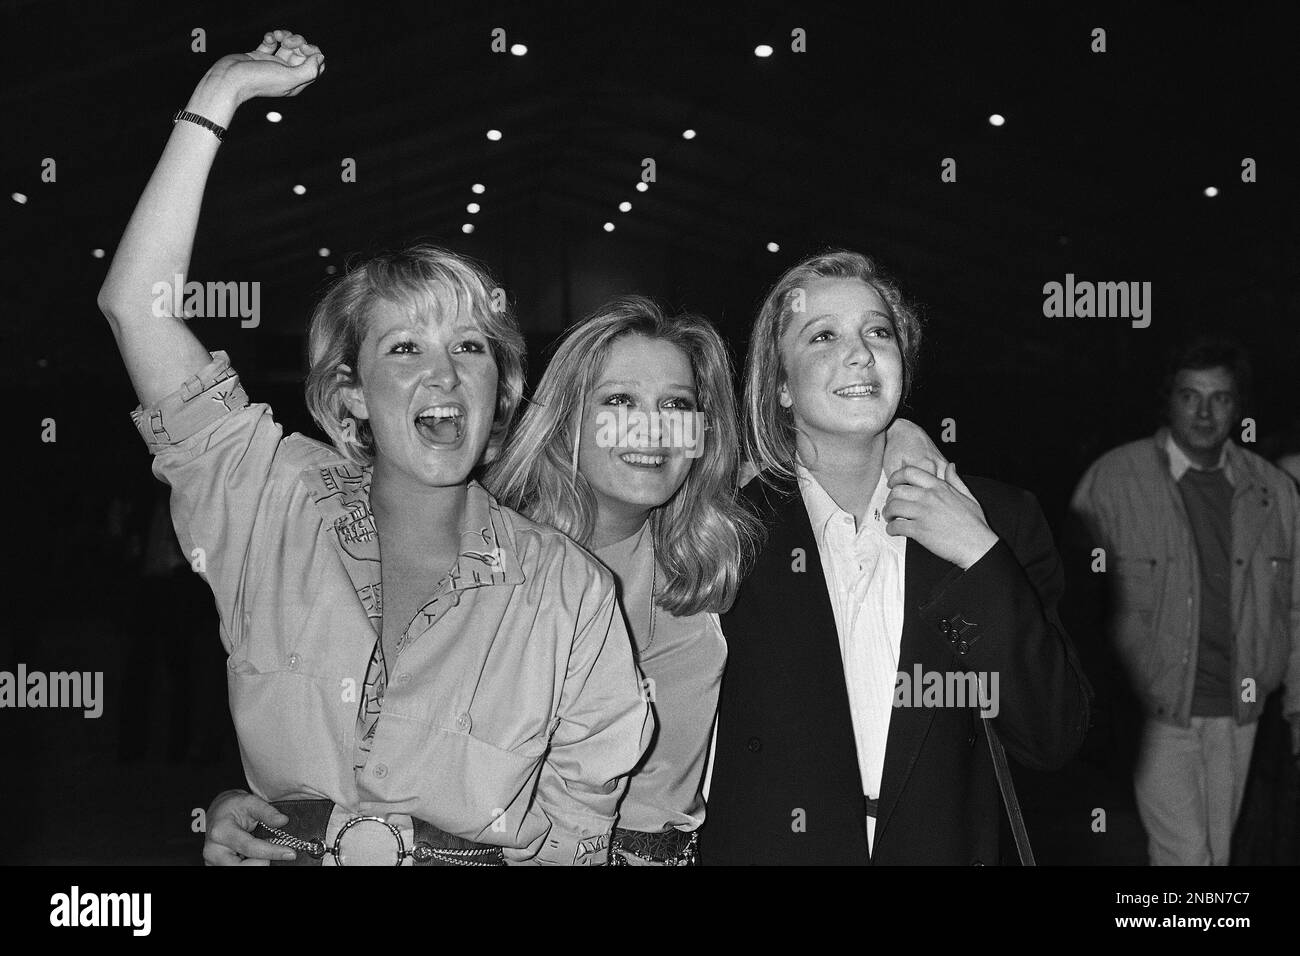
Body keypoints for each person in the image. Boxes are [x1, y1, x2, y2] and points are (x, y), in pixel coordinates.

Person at [100, 29, 648, 867]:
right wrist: (218, 96)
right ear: (350, 392)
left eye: (469, 348)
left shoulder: (571, 597)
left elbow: (576, 847)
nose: (443, 376)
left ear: (500, 388)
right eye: (405, 349)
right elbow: (138, 307)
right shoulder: (270, 502)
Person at [703, 249, 1092, 865]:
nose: (858, 353)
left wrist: (979, 555)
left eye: (877, 332)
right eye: (823, 336)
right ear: (779, 384)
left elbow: (1052, 734)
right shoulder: (724, 527)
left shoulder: (998, 519)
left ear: (901, 365)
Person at [1070, 338, 1300, 866]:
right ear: (1168, 400)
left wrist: (1296, 707)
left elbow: (1295, 606)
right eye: (1190, 395)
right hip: (1155, 712)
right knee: (1186, 856)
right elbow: (1072, 600)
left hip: (1240, 711)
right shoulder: (1114, 480)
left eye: (1220, 398)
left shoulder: (1273, 491)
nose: (1204, 411)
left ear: (1237, 407)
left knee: (1216, 855)